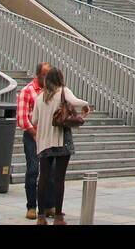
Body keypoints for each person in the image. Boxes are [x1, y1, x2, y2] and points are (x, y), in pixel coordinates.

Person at [30, 67, 90, 225]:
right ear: (60, 79)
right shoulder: (63, 91)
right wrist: (86, 105)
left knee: (43, 178)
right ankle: (58, 216)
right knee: (59, 179)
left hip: (43, 142)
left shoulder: (40, 97)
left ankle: (41, 216)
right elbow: (75, 102)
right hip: (61, 140)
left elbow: (34, 120)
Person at [15, 62, 50, 220]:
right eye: (45, 75)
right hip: (32, 135)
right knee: (33, 170)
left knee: (50, 171)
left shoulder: (51, 90)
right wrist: (34, 133)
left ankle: (49, 205)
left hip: (49, 136)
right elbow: (22, 118)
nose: (47, 78)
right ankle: (31, 206)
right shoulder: (27, 91)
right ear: (38, 75)